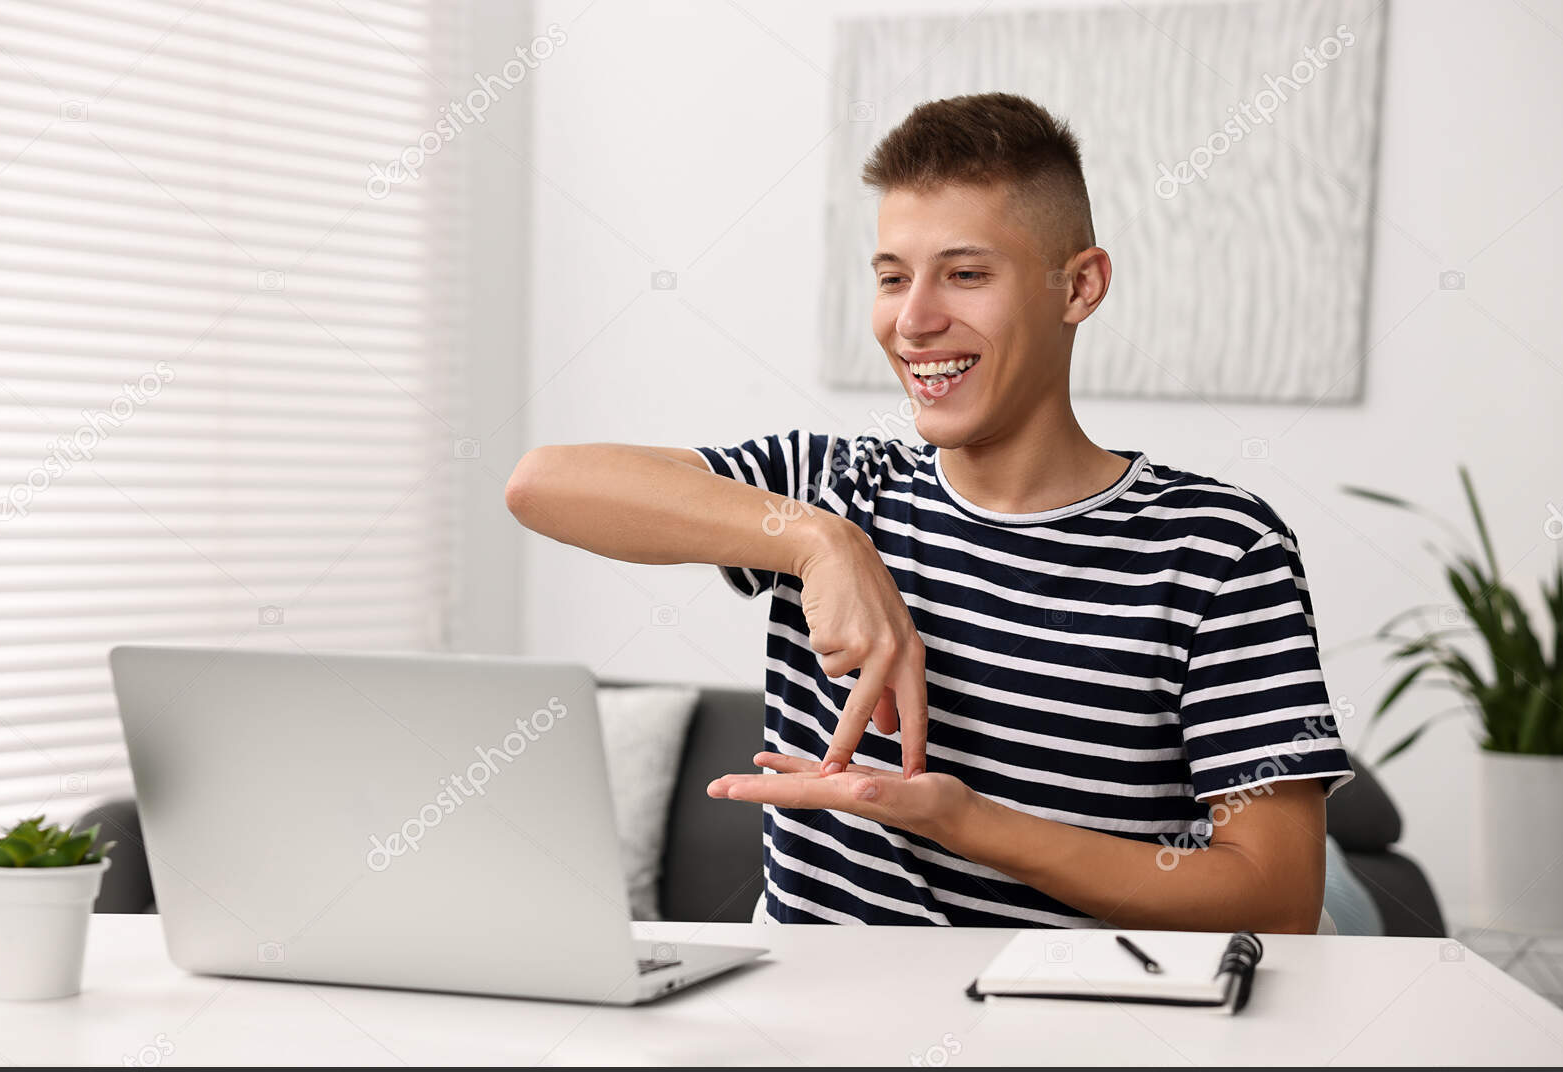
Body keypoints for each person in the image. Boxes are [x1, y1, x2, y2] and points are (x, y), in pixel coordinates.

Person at [505, 92, 1352, 931]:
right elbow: (543, 484)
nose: (914, 321)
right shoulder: (832, 488)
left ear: (1080, 286)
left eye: (966, 273)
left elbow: (1273, 898)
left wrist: (964, 822)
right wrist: (818, 542)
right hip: (805, 1027)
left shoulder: (1219, 548)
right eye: (892, 278)